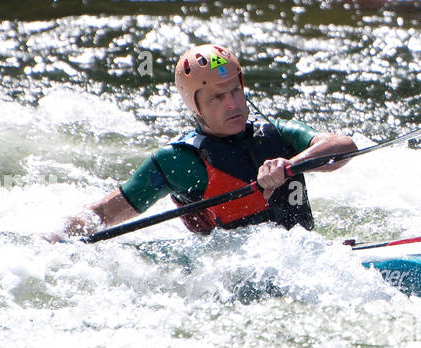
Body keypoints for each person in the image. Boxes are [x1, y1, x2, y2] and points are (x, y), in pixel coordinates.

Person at [51, 44, 356, 241]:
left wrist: (290, 165)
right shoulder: (179, 161)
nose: (233, 104)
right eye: (218, 97)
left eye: (236, 91)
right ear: (195, 106)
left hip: (303, 260)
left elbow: (344, 146)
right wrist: (53, 239)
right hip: (226, 276)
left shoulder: (277, 134)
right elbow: (104, 213)